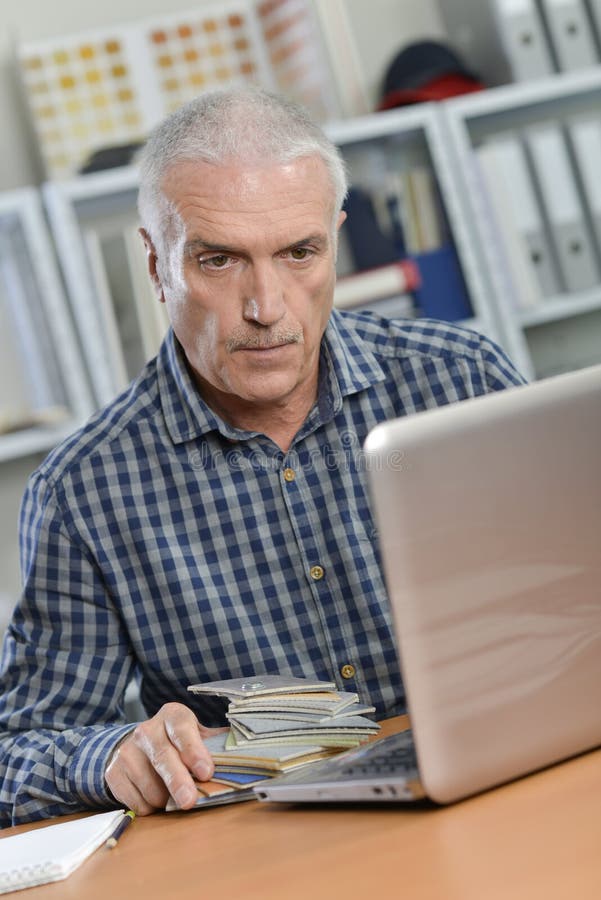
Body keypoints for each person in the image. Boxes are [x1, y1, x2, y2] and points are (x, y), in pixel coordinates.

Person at [0, 87, 525, 827]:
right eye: (218, 261)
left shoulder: (459, 379)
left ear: (333, 243)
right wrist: (113, 754)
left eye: (299, 253)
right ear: (157, 265)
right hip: (276, 846)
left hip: (504, 780)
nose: (267, 306)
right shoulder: (85, 491)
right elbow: (15, 751)